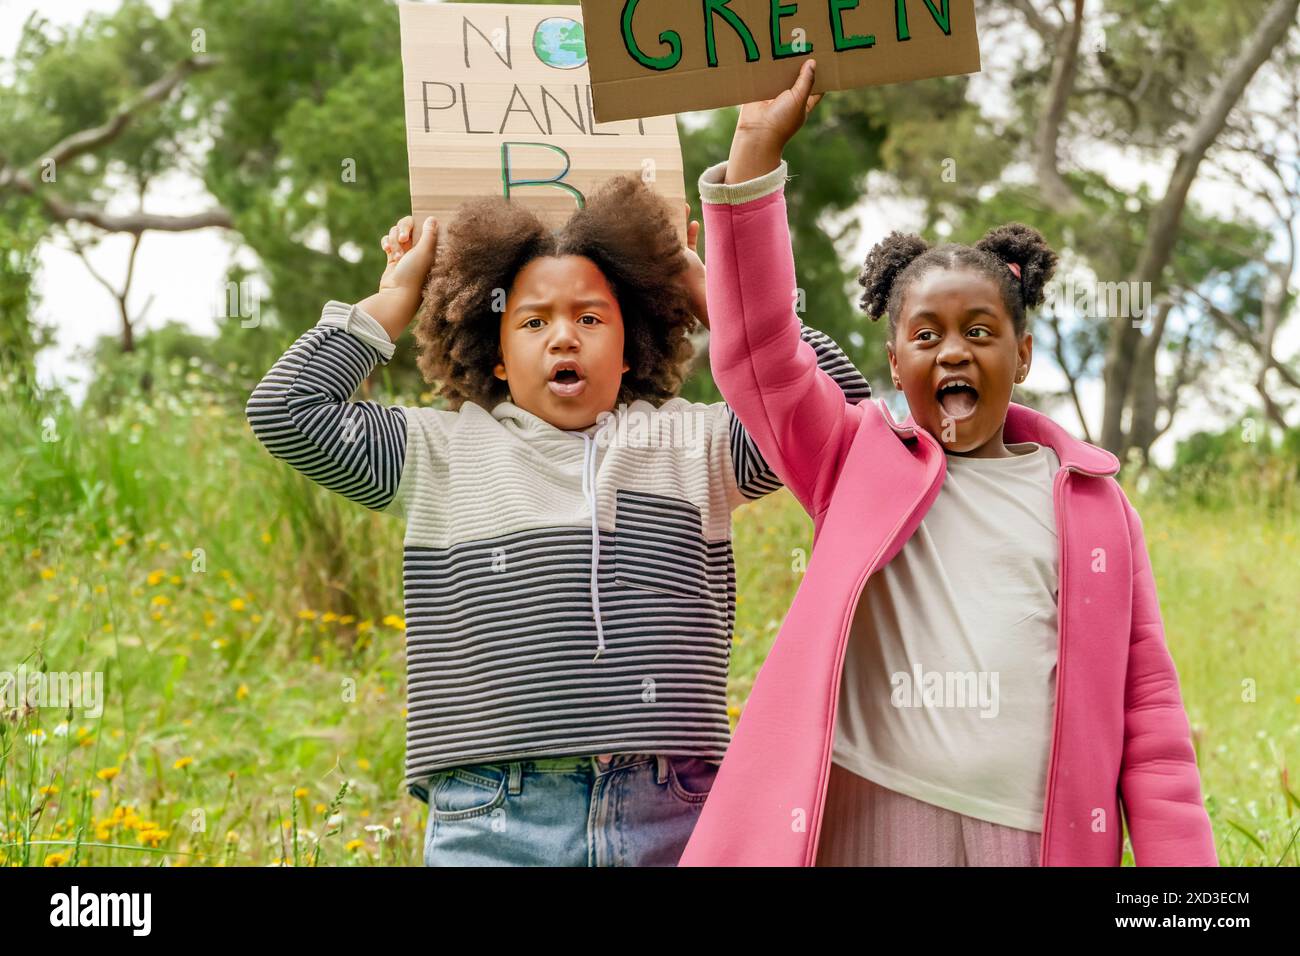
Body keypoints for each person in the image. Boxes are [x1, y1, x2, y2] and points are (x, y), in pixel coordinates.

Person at [680, 59, 1217, 866]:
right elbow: (758, 346)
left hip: (1035, 837)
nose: (953, 350)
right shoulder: (851, 458)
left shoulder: (1094, 505)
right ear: (895, 365)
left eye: (979, 331)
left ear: (1024, 354)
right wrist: (756, 148)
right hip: (869, 815)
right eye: (925, 336)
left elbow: (1151, 721)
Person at [244, 173, 871, 865]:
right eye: (533, 321)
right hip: (493, 816)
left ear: (633, 346)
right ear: (499, 356)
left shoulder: (698, 445)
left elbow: (836, 409)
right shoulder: (437, 451)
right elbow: (287, 412)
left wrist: (709, 289)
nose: (564, 337)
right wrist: (392, 299)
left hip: (674, 807)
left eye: (592, 318)